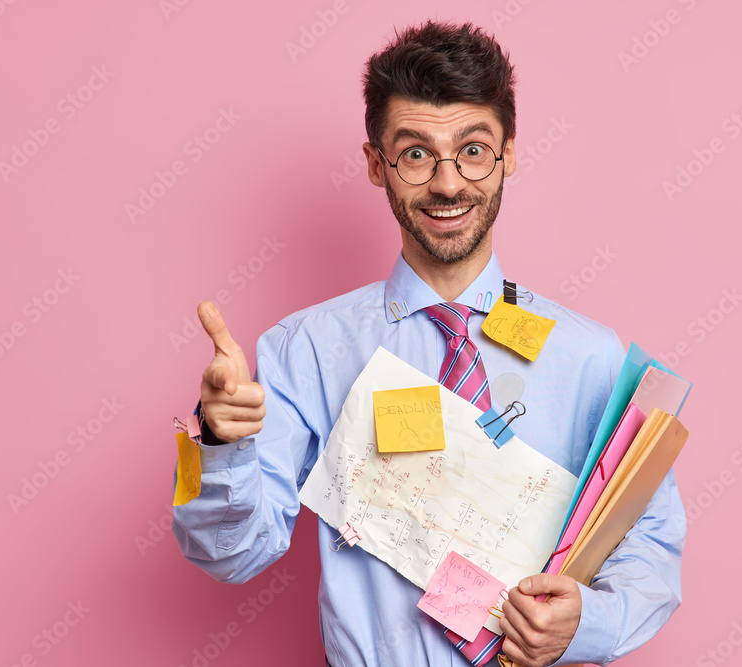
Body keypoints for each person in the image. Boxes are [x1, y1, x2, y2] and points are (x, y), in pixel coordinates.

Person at [172, 20, 685, 667]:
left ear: (509, 154)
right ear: (376, 164)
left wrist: (588, 622)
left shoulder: (591, 357)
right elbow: (232, 553)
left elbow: (650, 543)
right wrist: (220, 443)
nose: (447, 183)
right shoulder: (306, 350)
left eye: (473, 150)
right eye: (416, 154)